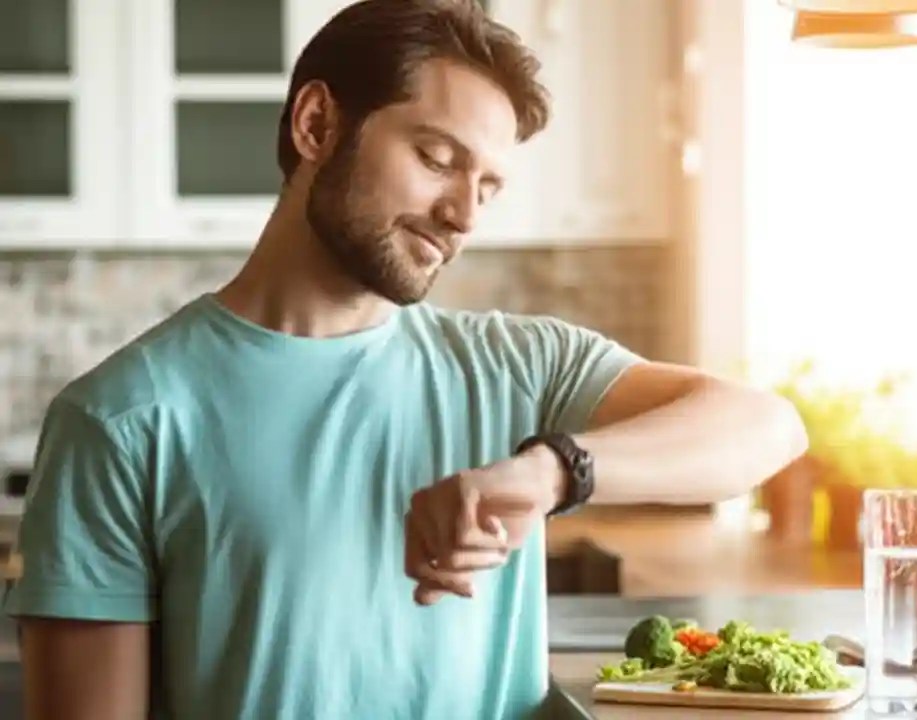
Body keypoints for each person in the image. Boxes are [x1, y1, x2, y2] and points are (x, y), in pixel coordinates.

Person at [3, 1, 807, 718]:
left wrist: (551, 471)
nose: (462, 214)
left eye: (488, 186)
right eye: (436, 157)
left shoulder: (517, 367)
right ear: (316, 124)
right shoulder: (119, 420)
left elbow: (765, 428)